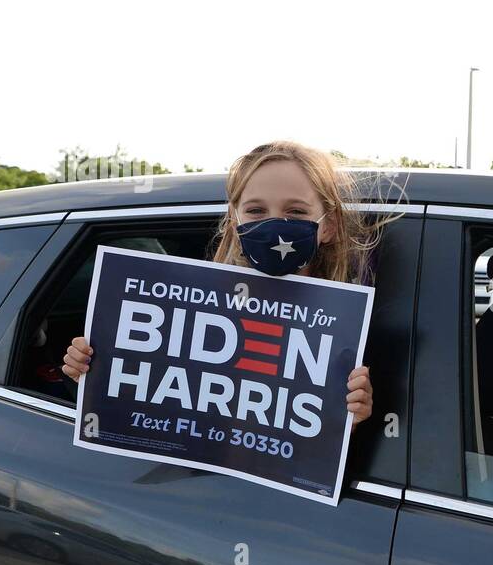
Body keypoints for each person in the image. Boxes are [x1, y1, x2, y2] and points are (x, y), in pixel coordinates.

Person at [61, 140, 384, 428]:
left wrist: (349, 422)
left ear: (328, 226)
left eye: (296, 211)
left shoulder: (348, 327)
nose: (274, 224)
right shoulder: (183, 309)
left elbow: (316, 443)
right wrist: (94, 374)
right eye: (256, 210)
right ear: (235, 221)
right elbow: (153, 405)